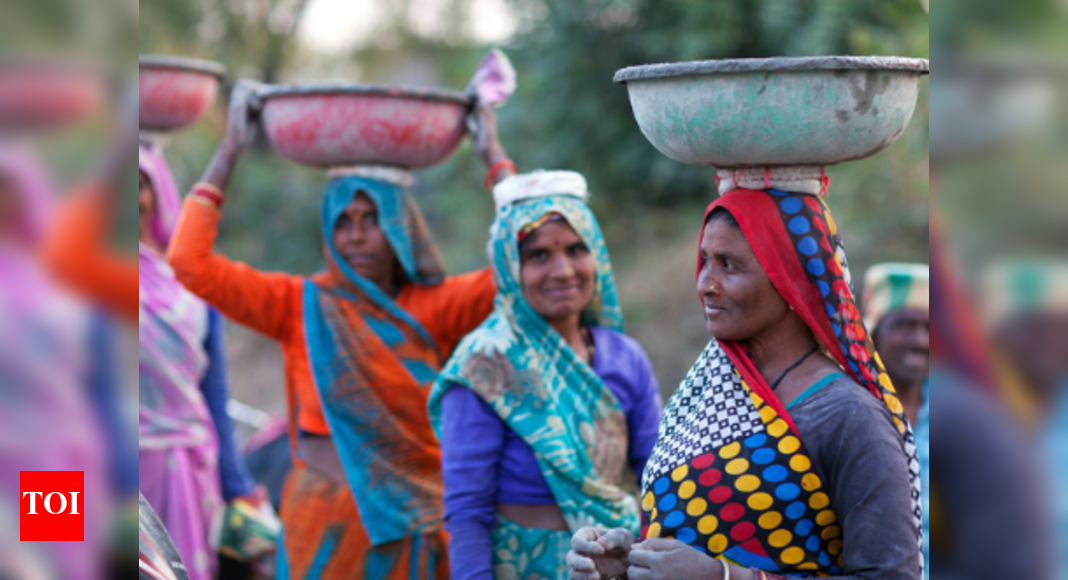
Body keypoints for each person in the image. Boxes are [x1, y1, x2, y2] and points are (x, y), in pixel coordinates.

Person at [166, 81, 497, 578]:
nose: (357, 234)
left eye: (373, 218)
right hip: (321, 525)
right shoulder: (299, 303)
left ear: (402, 225)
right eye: (343, 220)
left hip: (416, 525)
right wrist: (230, 149)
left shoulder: (439, 304)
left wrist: (492, 155)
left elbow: (519, 268)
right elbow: (189, 263)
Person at [568, 186, 922, 579]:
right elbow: (704, 535)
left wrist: (726, 577)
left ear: (790, 278)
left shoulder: (849, 417)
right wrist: (629, 560)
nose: (705, 283)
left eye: (729, 266)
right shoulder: (707, 391)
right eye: (704, 261)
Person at [428, 161, 663, 579]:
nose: (563, 271)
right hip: (524, 565)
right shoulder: (484, 364)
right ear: (508, 269)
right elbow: (468, 511)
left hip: (617, 563)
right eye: (538, 255)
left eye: (576, 249)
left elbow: (659, 478)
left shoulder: (625, 356)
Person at [863, 263, 930, 424]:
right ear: (875, 335)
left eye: (930, 328)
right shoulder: (850, 406)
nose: (921, 341)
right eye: (906, 326)